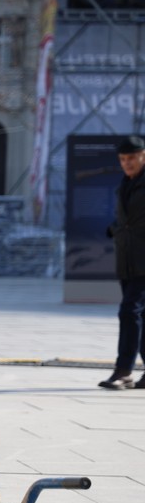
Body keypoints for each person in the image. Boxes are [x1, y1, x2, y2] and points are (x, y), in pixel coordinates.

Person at [99, 135, 145, 390]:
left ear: (144, 156)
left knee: (129, 311)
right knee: (141, 314)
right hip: (128, 258)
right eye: (123, 159)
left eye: (132, 158)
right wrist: (116, 230)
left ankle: (124, 370)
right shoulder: (125, 184)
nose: (127, 163)